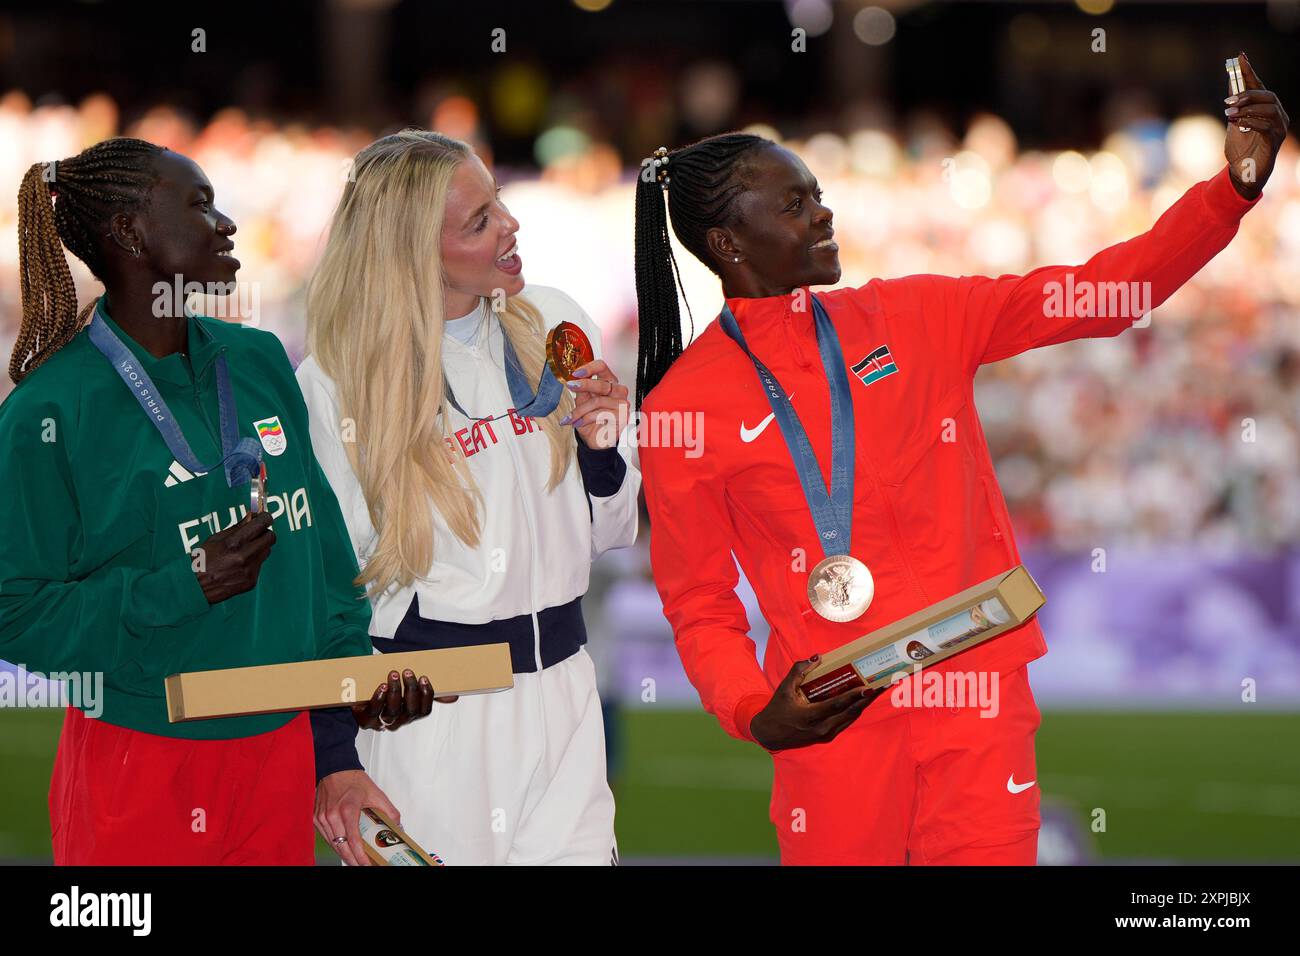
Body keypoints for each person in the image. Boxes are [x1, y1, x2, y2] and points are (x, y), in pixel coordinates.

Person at [634, 54, 1288, 865]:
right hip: (835, 713)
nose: (823, 215)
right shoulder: (680, 408)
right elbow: (698, 600)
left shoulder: (916, 312)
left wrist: (1232, 195)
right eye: (796, 203)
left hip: (977, 688)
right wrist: (750, 708)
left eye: (821, 196)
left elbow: (1104, 292)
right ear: (729, 242)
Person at [0, 137, 428, 865]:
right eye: (199, 206)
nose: (226, 223)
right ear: (129, 233)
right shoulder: (51, 410)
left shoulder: (257, 358)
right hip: (141, 756)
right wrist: (182, 587)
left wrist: (354, 685)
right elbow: (15, 612)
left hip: (278, 754)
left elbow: (321, 560)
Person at [299, 129, 640, 866]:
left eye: (500, 204)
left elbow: (609, 529)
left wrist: (601, 444)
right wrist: (333, 750)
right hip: (427, 716)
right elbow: (323, 586)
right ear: (413, 251)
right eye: (479, 221)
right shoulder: (336, 381)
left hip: (566, 696)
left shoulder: (552, 321)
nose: (511, 226)